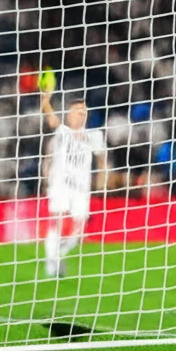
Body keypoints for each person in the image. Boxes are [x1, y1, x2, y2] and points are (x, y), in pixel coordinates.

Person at [41, 88, 107, 278]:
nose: (80, 116)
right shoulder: (63, 132)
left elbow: (101, 159)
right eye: (76, 112)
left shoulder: (94, 135)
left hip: (81, 188)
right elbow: (52, 119)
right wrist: (46, 101)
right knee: (58, 224)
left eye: (83, 113)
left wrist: (101, 180)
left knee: (78, 231)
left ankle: (56, 257)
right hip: (61, 185)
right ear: (69, 115)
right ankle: (51, 264)